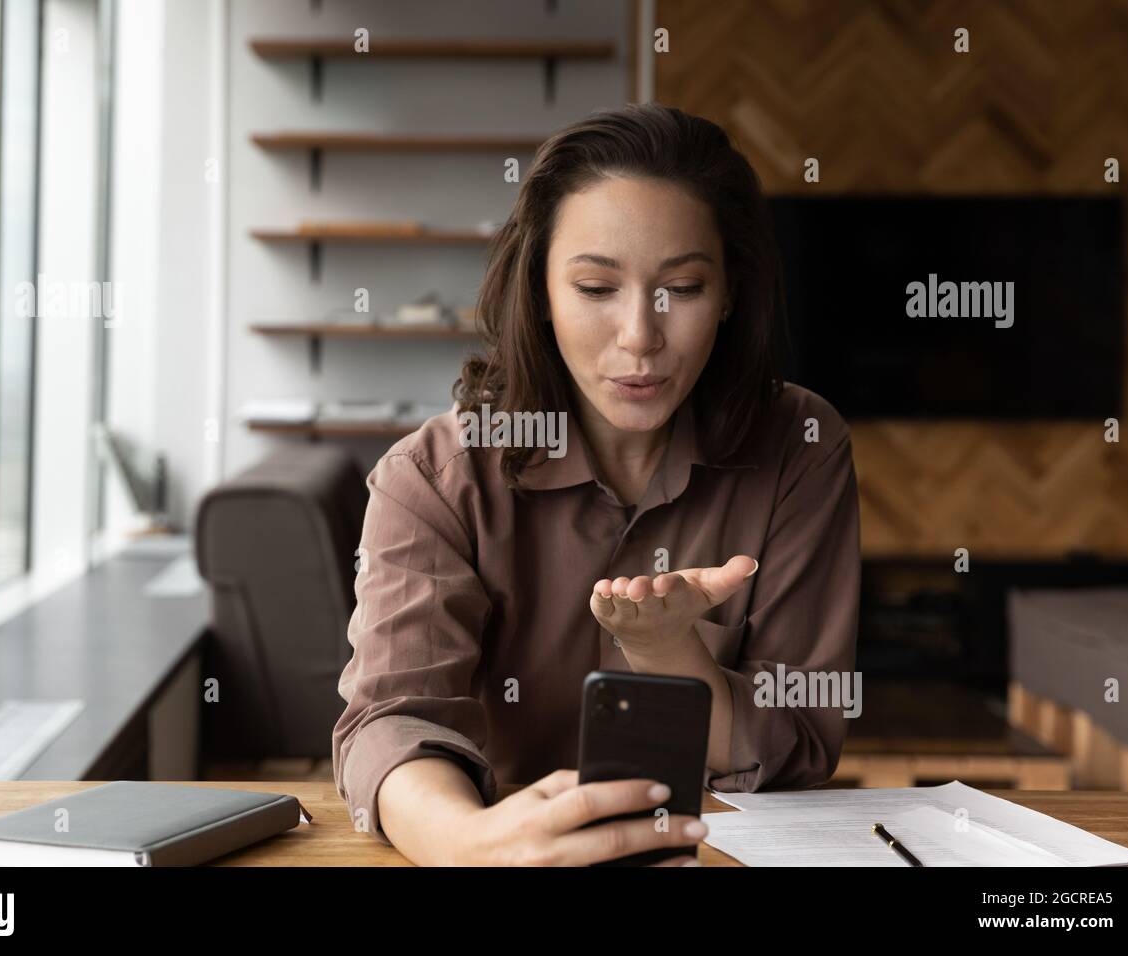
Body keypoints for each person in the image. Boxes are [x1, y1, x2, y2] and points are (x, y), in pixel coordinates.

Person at [332, 103, 861, 866]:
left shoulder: (801, 448)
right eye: (594, 288)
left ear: (731, 294)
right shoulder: (433, 480)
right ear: (541, 293)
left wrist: (671, 651)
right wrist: (470, 845)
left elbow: (804, 742)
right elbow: (389, 723)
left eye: (681, 287)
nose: (641, 337)